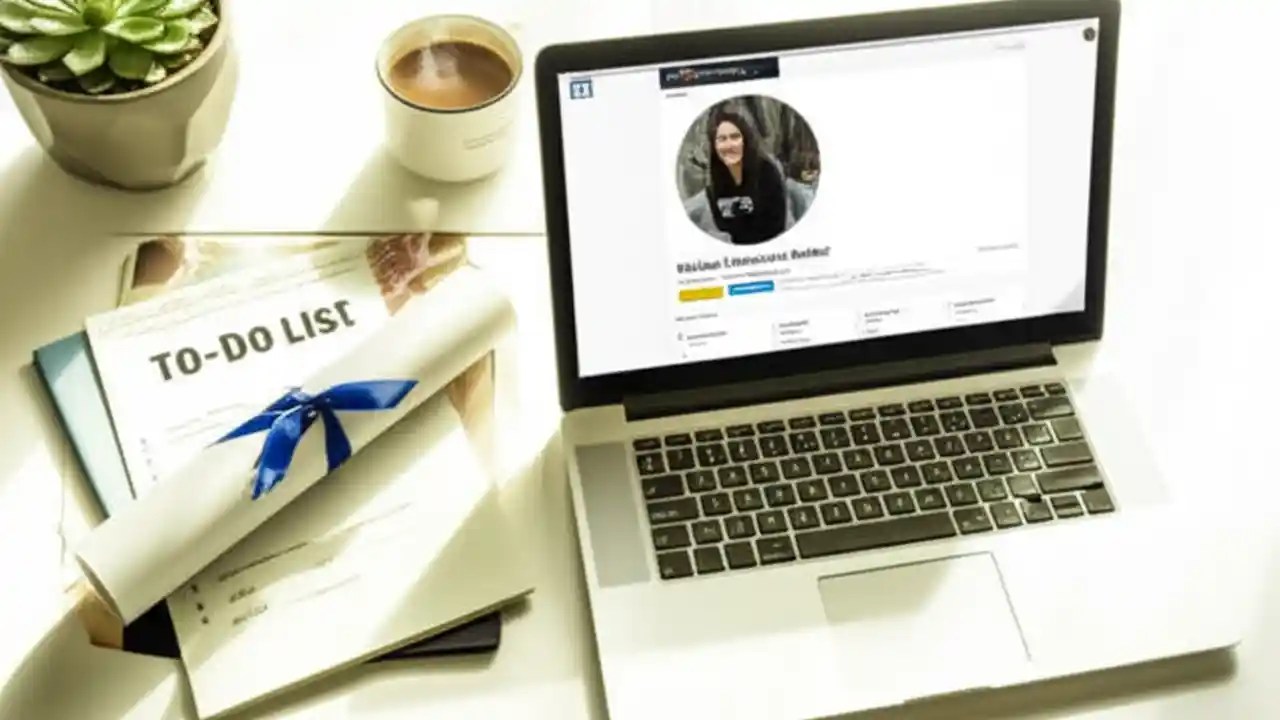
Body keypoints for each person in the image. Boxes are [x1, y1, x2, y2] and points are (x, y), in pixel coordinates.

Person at [701, 109, 787, 245]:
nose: (729, 145)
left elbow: (777, 225)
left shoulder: (767, 172)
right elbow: (723, 227)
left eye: (735, 137)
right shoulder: (713, 181)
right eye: (722, 139)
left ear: (745, 140)